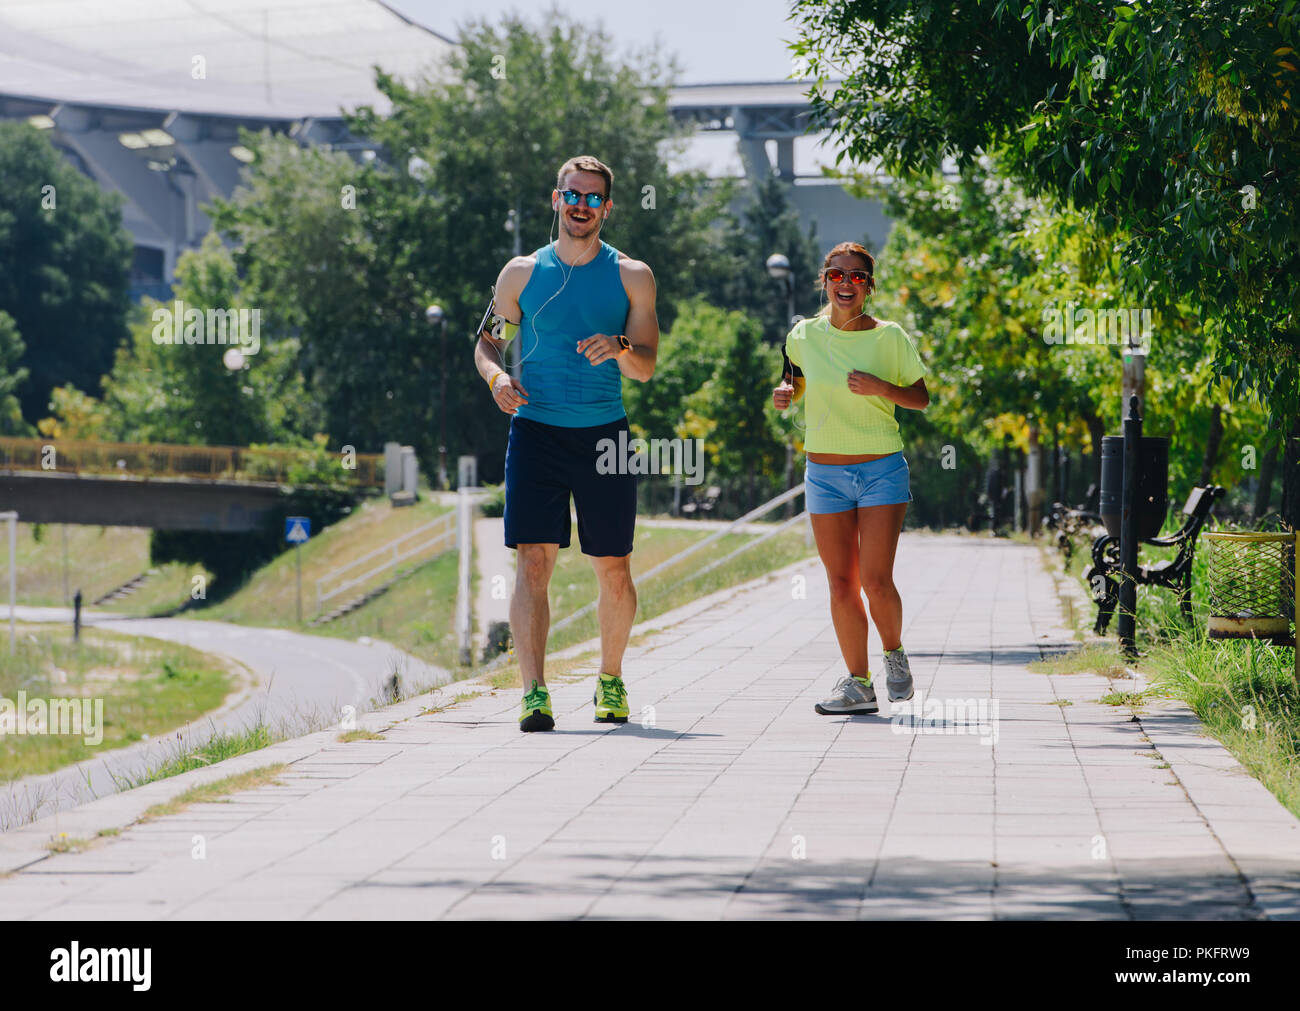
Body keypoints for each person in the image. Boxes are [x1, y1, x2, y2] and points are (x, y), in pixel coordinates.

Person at [475, 155, 660, 732]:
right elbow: (486, 345)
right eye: (572, 195)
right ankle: (534, 693)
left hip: (603, 435)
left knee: (613, 566)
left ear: (607, 207)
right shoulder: (521, 274)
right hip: (535, 432)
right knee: (533, 561)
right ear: (555, 199)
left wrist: (621, 345)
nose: (582, 206)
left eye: (593, 198)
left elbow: (648, 366)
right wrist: (497, 379)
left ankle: (610, 678)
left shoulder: (633, 276)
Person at [773, 241, 930, 715]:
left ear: (869, 286)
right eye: (837, 274)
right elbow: (795, 378)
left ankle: (894, 653)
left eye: (857, 276)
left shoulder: (890, 337)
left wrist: (881, 387)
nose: (846, 283)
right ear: (824, 280)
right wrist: (786, 393)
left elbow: (920, 398)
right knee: (841, 582)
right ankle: (858, 684)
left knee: (876, 580)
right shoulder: (802, 335)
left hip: (881, 469)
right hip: (823, 474)